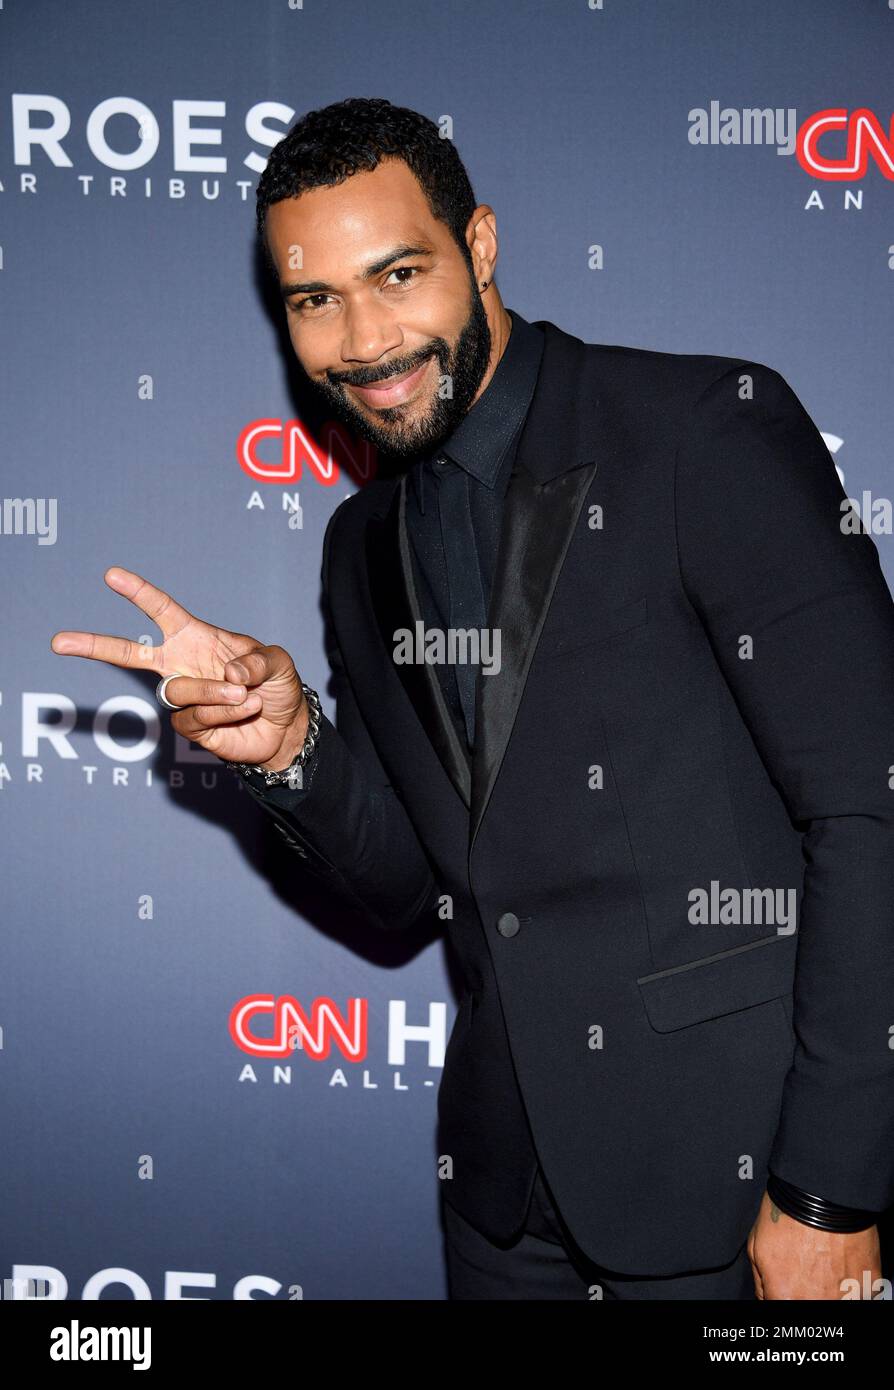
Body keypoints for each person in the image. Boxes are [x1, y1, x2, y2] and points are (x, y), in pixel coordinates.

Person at [51, 97, 893, 1300]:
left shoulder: (700, 431)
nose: (365, 338)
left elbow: (873, 807)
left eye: (398, 273)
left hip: (740, 1193)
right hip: (501, 1211)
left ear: (480, 246)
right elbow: (409, 885)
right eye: (315, 299)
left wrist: (829, 1188)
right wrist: (290, 746)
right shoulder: (362, 543)